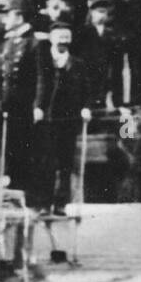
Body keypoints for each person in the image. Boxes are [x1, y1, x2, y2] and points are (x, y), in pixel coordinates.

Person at [0, 0, 41, 205]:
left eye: (7, 15)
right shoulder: (6, 42)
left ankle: (20, 195)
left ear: (18, 16)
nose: (4, 20)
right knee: (1, 149)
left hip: (22, 109)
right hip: (3, 107)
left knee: (19, 151)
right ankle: (4, 190)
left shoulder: (34, 44)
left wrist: (37, 106)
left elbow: (40, 79)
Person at [35, 22, 91, 215]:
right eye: (59, 36)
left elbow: (87, 92)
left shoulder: (78, 65)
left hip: (68, 120)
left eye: (67, 37)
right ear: (51, 38)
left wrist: (86, 108)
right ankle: (43, 203)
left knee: (65, 163)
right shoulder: (42, 62)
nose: (63, 41)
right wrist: (37, 108)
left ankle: (61, 203)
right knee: (45, 162)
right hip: (46, 119)